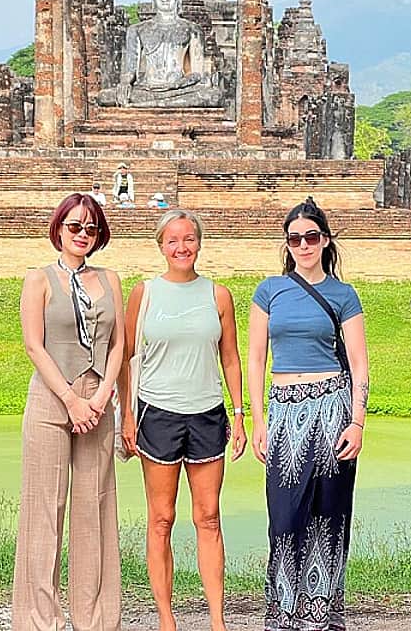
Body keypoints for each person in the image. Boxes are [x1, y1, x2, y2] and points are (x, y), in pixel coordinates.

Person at [118, 209, 247, 631]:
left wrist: (240, 413)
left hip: (207, 413)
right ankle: (167, 619)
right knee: (162, 518)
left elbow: (230, 356)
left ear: (200, 243)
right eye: (173, 240)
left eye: (189, 239)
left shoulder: (218, 295)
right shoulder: (145, 293)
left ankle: (216, 619)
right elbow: (125, 356)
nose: (182, 248)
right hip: (157, 414)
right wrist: (128, 415)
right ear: (161, 246)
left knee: (208, 516)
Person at [247, 197, 369, 631]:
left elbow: (358, 361)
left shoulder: (343, 294)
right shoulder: (270, 291)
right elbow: (256, 357)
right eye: (295, 238)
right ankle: (283, 611)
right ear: (287, 244)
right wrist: (258, 420)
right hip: (283, 407)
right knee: (284, 516)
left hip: (331, 405)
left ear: (325, 240)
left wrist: (357, 421)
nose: (303, 245)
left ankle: (321, 612)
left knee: (329, 512)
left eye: (311, 237)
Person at [13, 193, 125, 631]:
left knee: (93, 508)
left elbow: (118, 343)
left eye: (91, 228)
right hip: (52, 395)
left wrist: (100, 397)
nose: (82, 234)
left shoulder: (109, 278)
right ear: (59, 229)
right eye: (75, 226)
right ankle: (40, 619)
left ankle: (95, 618)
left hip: (98, 395)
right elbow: (33, 345)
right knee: (45, 507)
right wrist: (71, 400)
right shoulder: (38, 280)